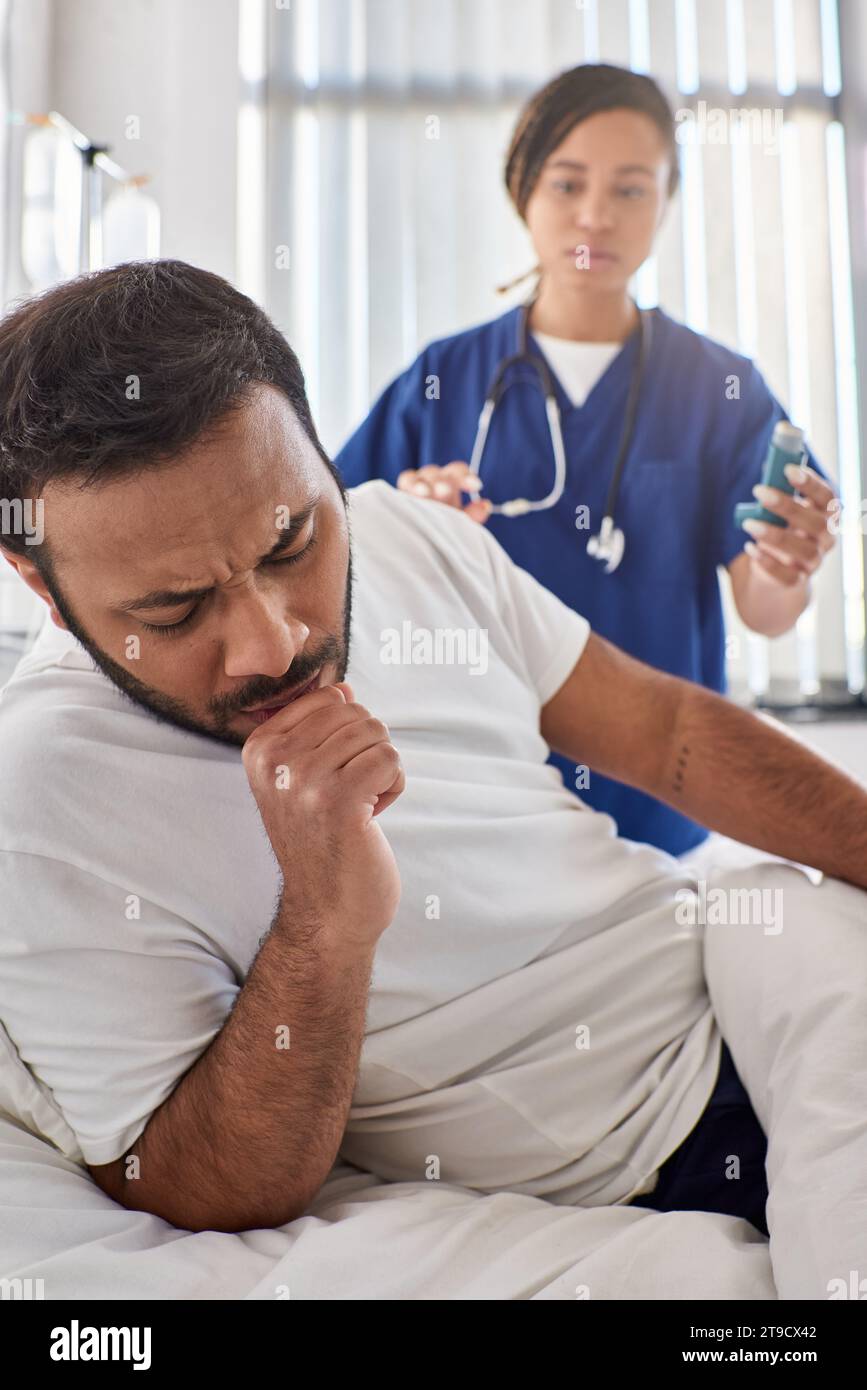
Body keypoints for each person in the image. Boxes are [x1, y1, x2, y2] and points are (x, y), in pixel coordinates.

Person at [0, 261, 864, 1301]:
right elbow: (197, 1182)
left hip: (743, 984)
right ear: (42, 587)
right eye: (177, 612)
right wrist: (326, 920)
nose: (275, 644)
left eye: (292, 539)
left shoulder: (408, 534)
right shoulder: (44, 798)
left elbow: (670, 734)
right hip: (633, 1171)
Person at [335, 63, 838, 858]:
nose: (595, 216)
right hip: (481, 807)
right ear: (522, 192)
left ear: (666, 202)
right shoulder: (444, 380)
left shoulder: (721, 387)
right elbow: (330, 566)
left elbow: (765, 610)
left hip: (661, 815)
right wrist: (407, 527)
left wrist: (786, 564)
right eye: (567, 184)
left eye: (631, 190)